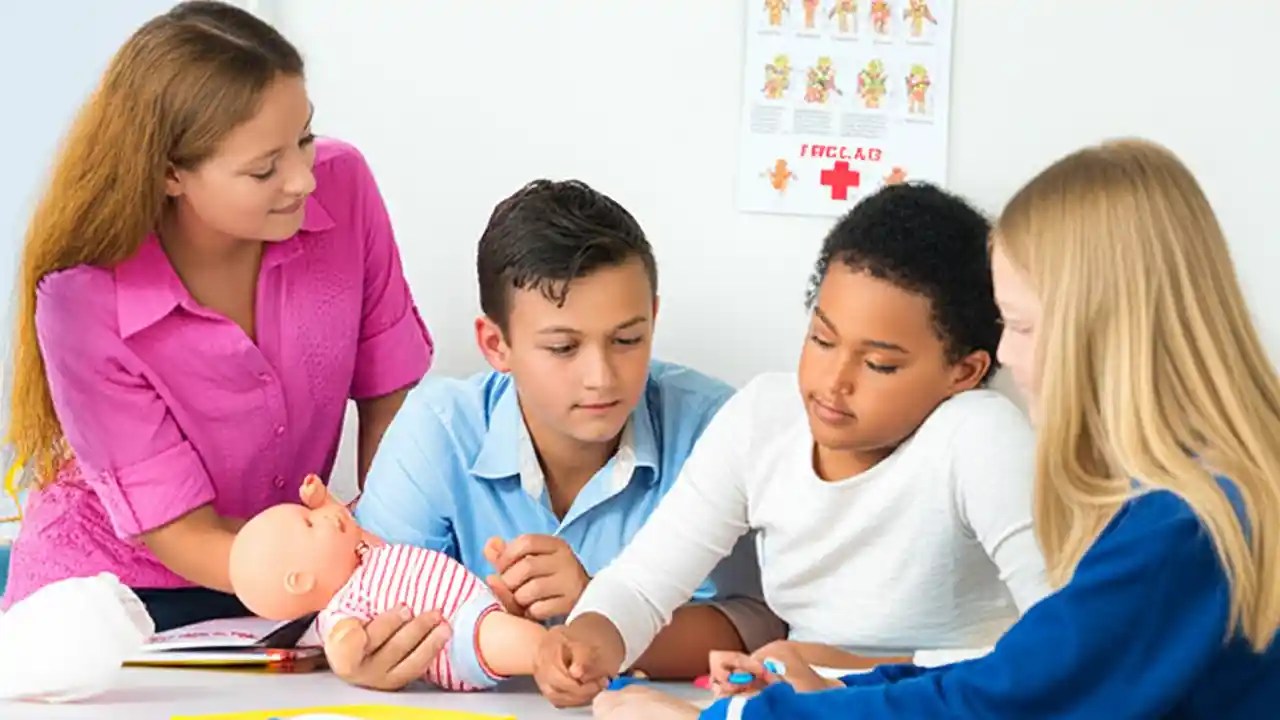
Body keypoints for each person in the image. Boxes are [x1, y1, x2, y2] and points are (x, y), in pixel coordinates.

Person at [594, 140, 1280, 719]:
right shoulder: (1197, 501)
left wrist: (737, 715)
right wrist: (831, 687)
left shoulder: (1185, 525)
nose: (1007, 357)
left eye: (1023, 326)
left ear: (1104, 331)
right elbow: (1029, 672)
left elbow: (1010, 695)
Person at [0, 1, 432, 632]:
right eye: (264, 168)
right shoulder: (83, 301)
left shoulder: (345, 184)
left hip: (296, 575)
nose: (302, 179)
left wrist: (394, 559)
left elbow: (390, 398)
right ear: (171, 173)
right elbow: (180, 532)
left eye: (304, 138)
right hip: (116, 600)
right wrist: (330, 572)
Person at [539, 182, 1049, 707]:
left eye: (879, 365)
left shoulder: (977, 436)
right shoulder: (764, 418)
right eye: (822, 339)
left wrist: (846, 669)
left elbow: (1068, 643)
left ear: (963, 372)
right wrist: (588, 640)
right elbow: (643, 583)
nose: (834, 381)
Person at [343, 179, 779, 691]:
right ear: (495, 344)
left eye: (627, 339)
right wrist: (373, 654)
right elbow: (369, 602)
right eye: (563, 347)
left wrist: (597, 607)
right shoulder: (435, 431)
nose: (601, 376)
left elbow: (757, 627)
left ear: (654, 318)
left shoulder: (715, 427)